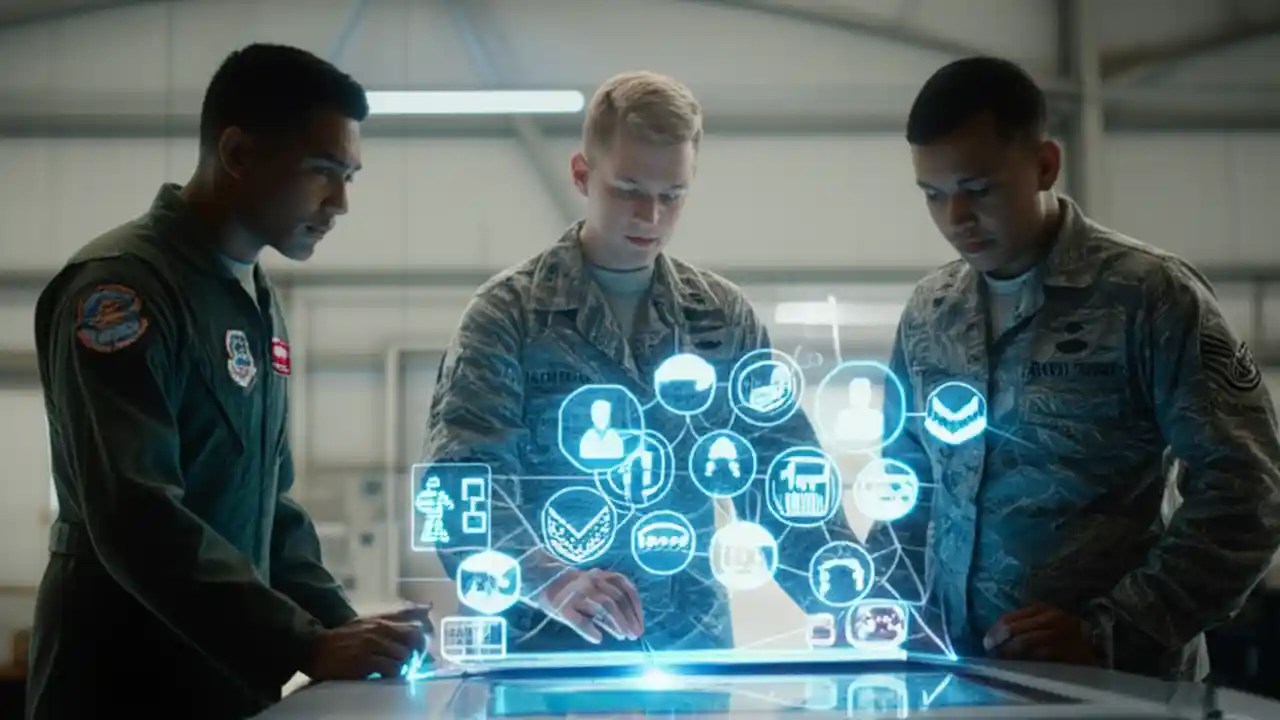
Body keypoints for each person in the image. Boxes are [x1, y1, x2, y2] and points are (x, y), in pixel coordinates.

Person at [29, 44, 432, 718]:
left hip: (225, 677)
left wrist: (345, 629)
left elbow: (271, 507)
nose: (340, 203)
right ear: (239, 153)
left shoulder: (254, 298)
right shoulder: (123, 291)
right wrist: (302, 643)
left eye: (349, 177)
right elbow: (135, 513)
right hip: (119, 678)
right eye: (322, 172)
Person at [869, 55, 1280, 680]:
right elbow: (906, 489)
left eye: (978, 190)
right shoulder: (931, 313)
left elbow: (1250, 490)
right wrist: (881, 619)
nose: (956, 219)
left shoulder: (1149, 297)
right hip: (956, 682)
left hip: (1118, 688)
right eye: (934, 195)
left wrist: (1113, 632)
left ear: (1044, 165)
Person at [421, 70, 861, 652]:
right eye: (628, 190)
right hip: (543, 651)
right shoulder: (510, 314)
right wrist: (548, 580)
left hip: (687, 651)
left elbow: (781, 478)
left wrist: (849, 599)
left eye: (671, 196)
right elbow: (460, 489)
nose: (650, 217)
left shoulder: (719, 317)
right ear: (583, 175)